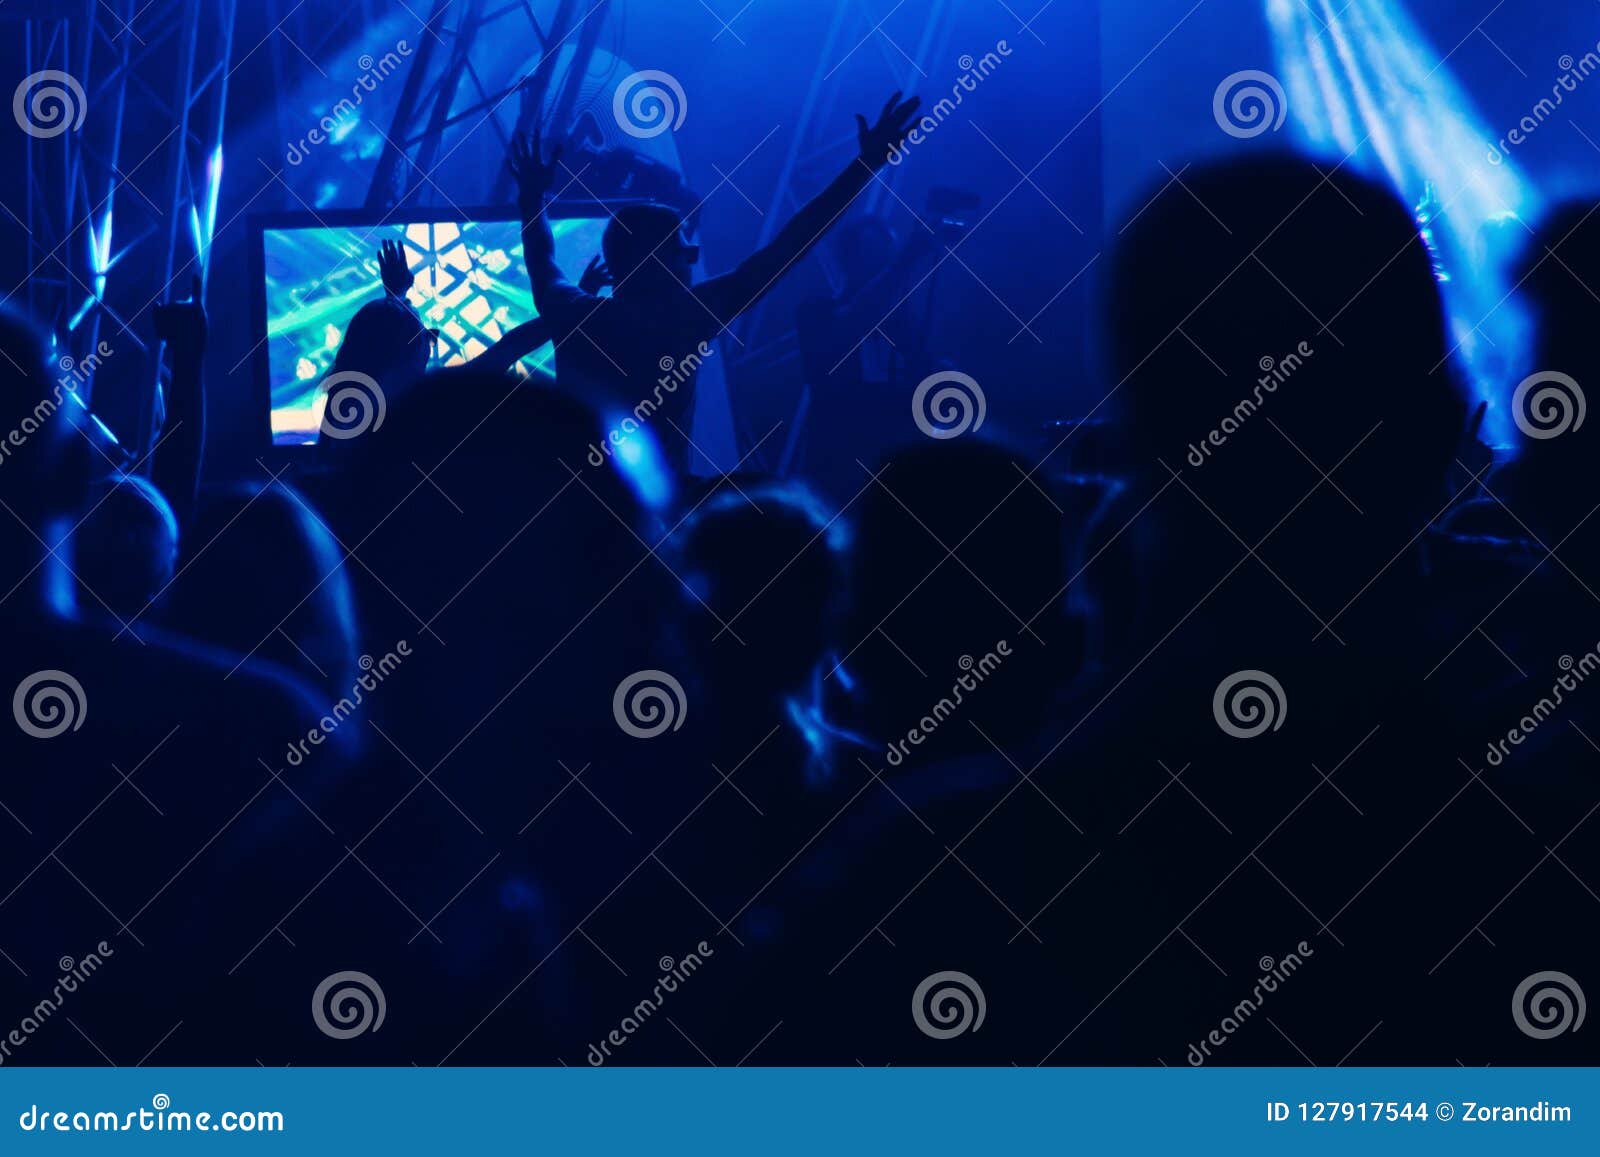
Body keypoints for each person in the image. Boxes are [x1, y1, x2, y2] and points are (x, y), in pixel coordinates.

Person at [506, 93, 922, 475]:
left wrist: (530, 196)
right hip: (655, 523)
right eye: (681, 248)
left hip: (574, 505)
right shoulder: (689, 315)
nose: (692, 257)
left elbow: (541, 254)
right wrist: (864, 166)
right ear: (655, 260)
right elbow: (793, 244)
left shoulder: (571, 311)